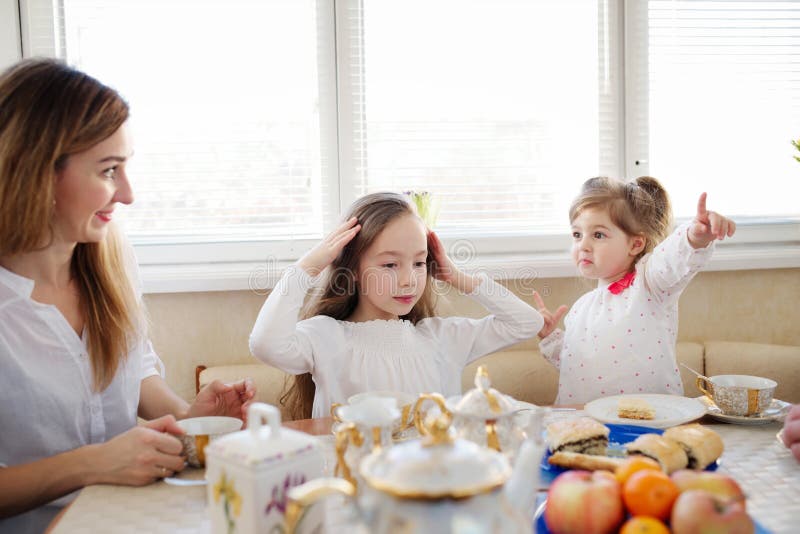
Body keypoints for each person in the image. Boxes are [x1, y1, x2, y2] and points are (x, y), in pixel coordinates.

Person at [0, 58, 255, 533]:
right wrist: (90, 464)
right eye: (109, 170)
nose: (129, 194)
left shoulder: (112, 259)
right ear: (37, 170)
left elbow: (133, 368)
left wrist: (189, 417)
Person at [249, 192, 544, 419]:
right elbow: (265, 344)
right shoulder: (327, 338)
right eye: (390, 264)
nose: (408, 280)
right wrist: (308, 266)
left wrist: (457, 277)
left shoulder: (440, 339)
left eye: (418, 263)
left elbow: (526, 323)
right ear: (352, 269)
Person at [534, 176, 736, 404]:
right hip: (587, 424)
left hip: (650, 421)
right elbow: (578, 365)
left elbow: (672, 257)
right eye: (577, 235)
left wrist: (694, 236)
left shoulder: (650, 282)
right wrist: (551, 337)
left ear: (635, 244)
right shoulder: (580, 308)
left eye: (598, 235)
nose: (583, 245)